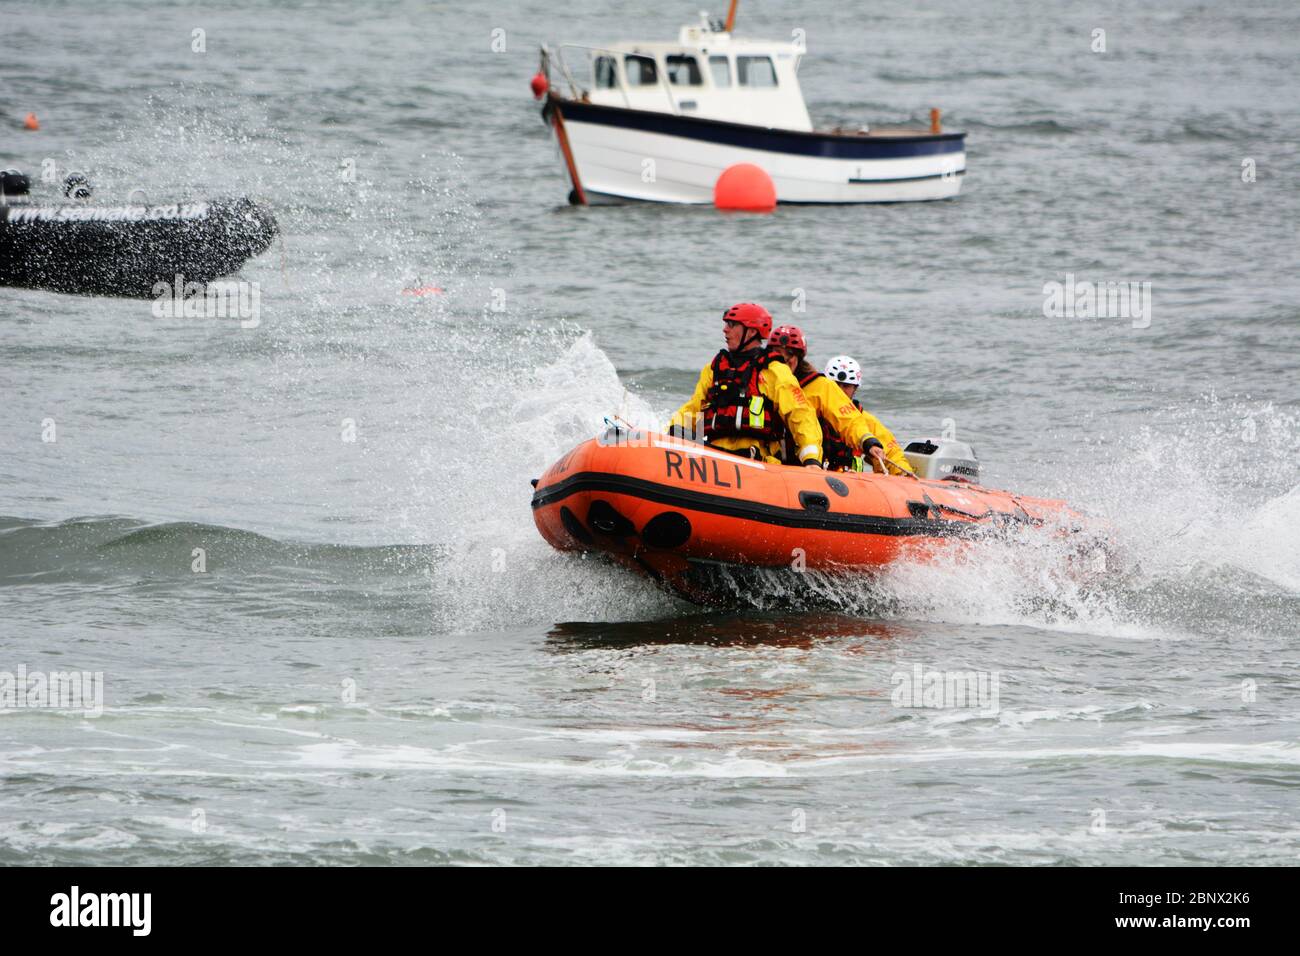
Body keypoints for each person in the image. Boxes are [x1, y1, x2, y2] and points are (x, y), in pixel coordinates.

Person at [666, 304, 823, 466]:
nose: (725, 330)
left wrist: (811, 458)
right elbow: (694, 409)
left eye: (732, 325)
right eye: (726, 324)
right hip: (713, 454)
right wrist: (673, 432)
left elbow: (800, 414)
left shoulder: (774, 370)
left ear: (752, 331)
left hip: (756, 459)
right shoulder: (714, 368)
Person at [767, 325, 913, 475]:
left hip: (843, 480)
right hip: (798, 468)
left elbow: (890, 449)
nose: (840, 390)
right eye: (836, 385)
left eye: (846, 386)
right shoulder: (803, 396)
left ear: (855, 388)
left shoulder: (860, 420)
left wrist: (903, 474)